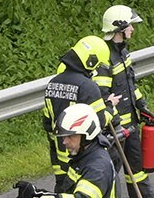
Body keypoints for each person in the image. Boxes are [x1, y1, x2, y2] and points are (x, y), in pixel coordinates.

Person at [102, 5, 154, 198]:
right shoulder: (104, 57)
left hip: (130, 120)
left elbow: (131, 85)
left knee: (136, 162)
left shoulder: (123, 53)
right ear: (119, 28)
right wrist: (112, 119)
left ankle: (143, 196)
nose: (132, 29)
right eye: (129, 25)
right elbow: (103, 95)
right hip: (114, 125)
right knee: (113, 167)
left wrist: (142, 105)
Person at [42, 35, 113, 189]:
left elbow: (47, 123)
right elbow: (99, 122)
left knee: (62, 196)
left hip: (60, 155)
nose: (96, 70)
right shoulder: (88, 87)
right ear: (90, 61)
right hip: (80, 156)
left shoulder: (52, 84)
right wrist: (110, 107)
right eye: (97, 65)